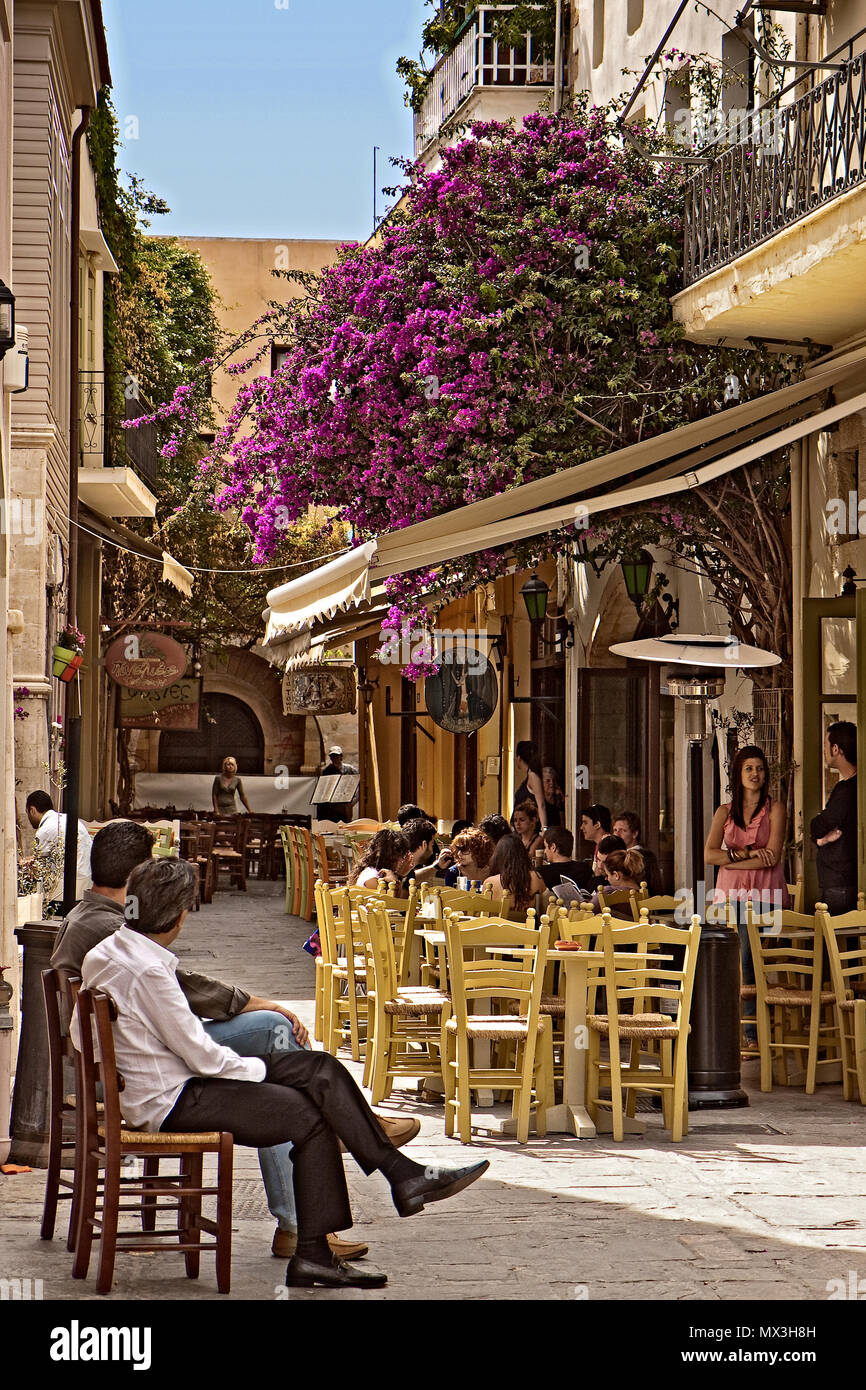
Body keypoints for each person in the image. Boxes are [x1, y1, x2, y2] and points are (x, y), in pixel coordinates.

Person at [74, 857, 489, 1290]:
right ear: (179, 916)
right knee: (307, 1114)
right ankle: (318, 1249)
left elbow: (82, 1038)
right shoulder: (149, 970)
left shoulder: (107, 952)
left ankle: (401, 1175)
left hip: (163, 1087)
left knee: (321, 1070)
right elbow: (205, 1060)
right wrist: (263, 1073)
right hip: (173, 1098)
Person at [51, 820, 416, 1262]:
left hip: (145, 1068)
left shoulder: (106, 937)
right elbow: (194, 1035)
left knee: (303, 1070)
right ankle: (312, 1215)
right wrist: (260, 1070)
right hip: (160, 1085)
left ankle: (366, 1155)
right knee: (286, 1061)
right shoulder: (127, 945)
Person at [705, 745, 790, 1041]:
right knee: (737, 959)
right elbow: (709, 855)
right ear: (738, 774)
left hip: (767, 895)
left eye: (760, 768)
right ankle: (745, 1030)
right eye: (749, 768)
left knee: (749, 957)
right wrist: (749, 853)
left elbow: (775, 855)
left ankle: (749, 1031)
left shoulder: (776, 809)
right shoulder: (724, 812)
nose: (755, 774)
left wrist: (731, 857)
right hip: (729, 897)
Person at [810, 721, 858, 915]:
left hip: (841, 882)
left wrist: (820, 836)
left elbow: (818, 825)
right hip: (841, 880)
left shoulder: (847, 790)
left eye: (825, 746)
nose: (824, 751)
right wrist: (822, 840)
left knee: (835, 941)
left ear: (836, 749)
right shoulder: (847, 786)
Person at [25, 790, 92, 906]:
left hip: (64, 892)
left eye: (28, 813)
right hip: (86, 884)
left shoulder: (44, 830)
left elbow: (39, 868)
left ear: (32, 810)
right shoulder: (70, 819)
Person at [482, 833, 546, 912]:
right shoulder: (536, 877)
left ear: (498, 856)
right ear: (523, 854)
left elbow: (482, 914)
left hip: (498, 923)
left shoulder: (490, 883)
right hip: (528, 923)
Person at [612, 811, 664, 896]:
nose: (617, 834)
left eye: (623, 831)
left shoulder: (641, 856)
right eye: (615, 830)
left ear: (634, 834)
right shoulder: (620, 854)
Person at [591, 848, 645, 915]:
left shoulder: (608, 892)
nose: (606, 879)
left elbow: (589, 911)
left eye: (608, 875)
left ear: (616, 875)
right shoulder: (643, 894)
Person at [539, 826, 592, 893]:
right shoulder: (585, 869)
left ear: (553, 847)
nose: (545, 851)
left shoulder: (542, 873)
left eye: (545, 847)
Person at [314, 745, 359, 823]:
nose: (334, 758)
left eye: (336, 756)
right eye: (332, 756)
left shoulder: (350, 770)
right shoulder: (327, 771)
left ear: (341, 756)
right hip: (332, 807)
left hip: (345, 806)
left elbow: (360, 784)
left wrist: (354, 801)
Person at [513, 741, 548, 830]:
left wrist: (544, 828)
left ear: (519, 758)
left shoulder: (533, 776)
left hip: (531, 829)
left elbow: (541, 804)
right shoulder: (530, 776)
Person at [401, 818, 440, 885]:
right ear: (424, 844)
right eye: (432, 844)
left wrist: (437, 866)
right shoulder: (400, 868)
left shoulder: (404, 866)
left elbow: (412, 878)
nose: (432, 852)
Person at [579, 804, 613, 878]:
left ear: (597, 824)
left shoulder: (610, 846)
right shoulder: (600, 844)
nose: (581, 827)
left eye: (585, 823)